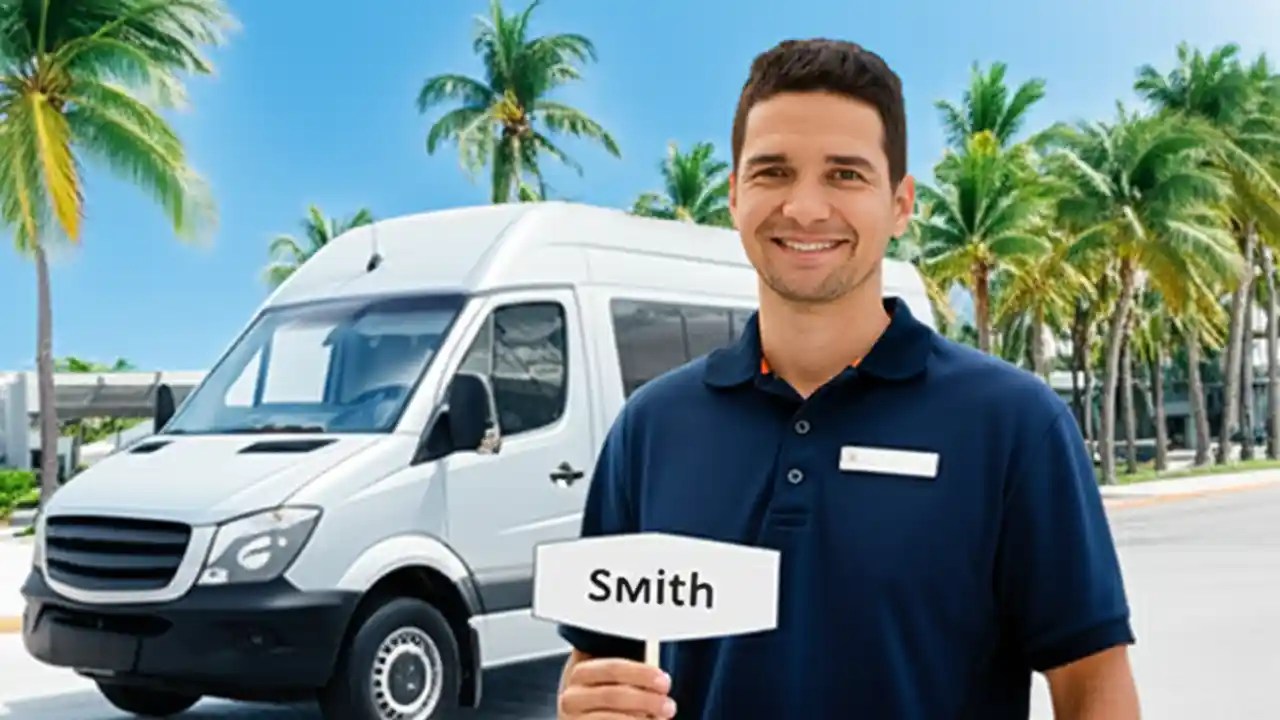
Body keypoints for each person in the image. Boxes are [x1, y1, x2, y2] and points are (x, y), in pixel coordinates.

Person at [555, 37, 1140, 720]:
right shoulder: (652, 428)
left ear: (900, 203)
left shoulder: (1013, 424)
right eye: (773, 172)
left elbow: (1092, 681)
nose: (805, 208)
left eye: (845, 174)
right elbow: (597, 657)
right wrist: (584, 703)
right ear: (735, 195)